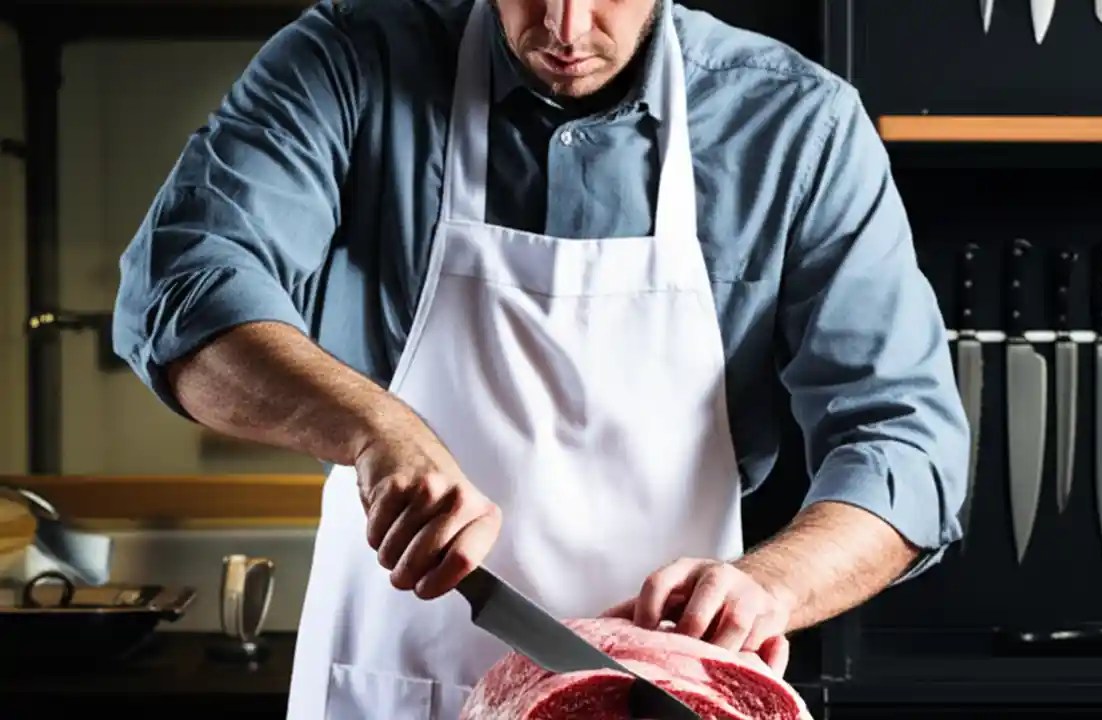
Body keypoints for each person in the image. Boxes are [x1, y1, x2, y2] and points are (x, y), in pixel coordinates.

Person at [112, 0, 969, 716]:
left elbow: (906, 438)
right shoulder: (348, 60)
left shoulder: (794, 123)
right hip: (395, 685)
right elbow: (182, 296)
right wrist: (373, 429)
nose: (564, 25)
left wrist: (772, 588)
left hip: (661, 687)